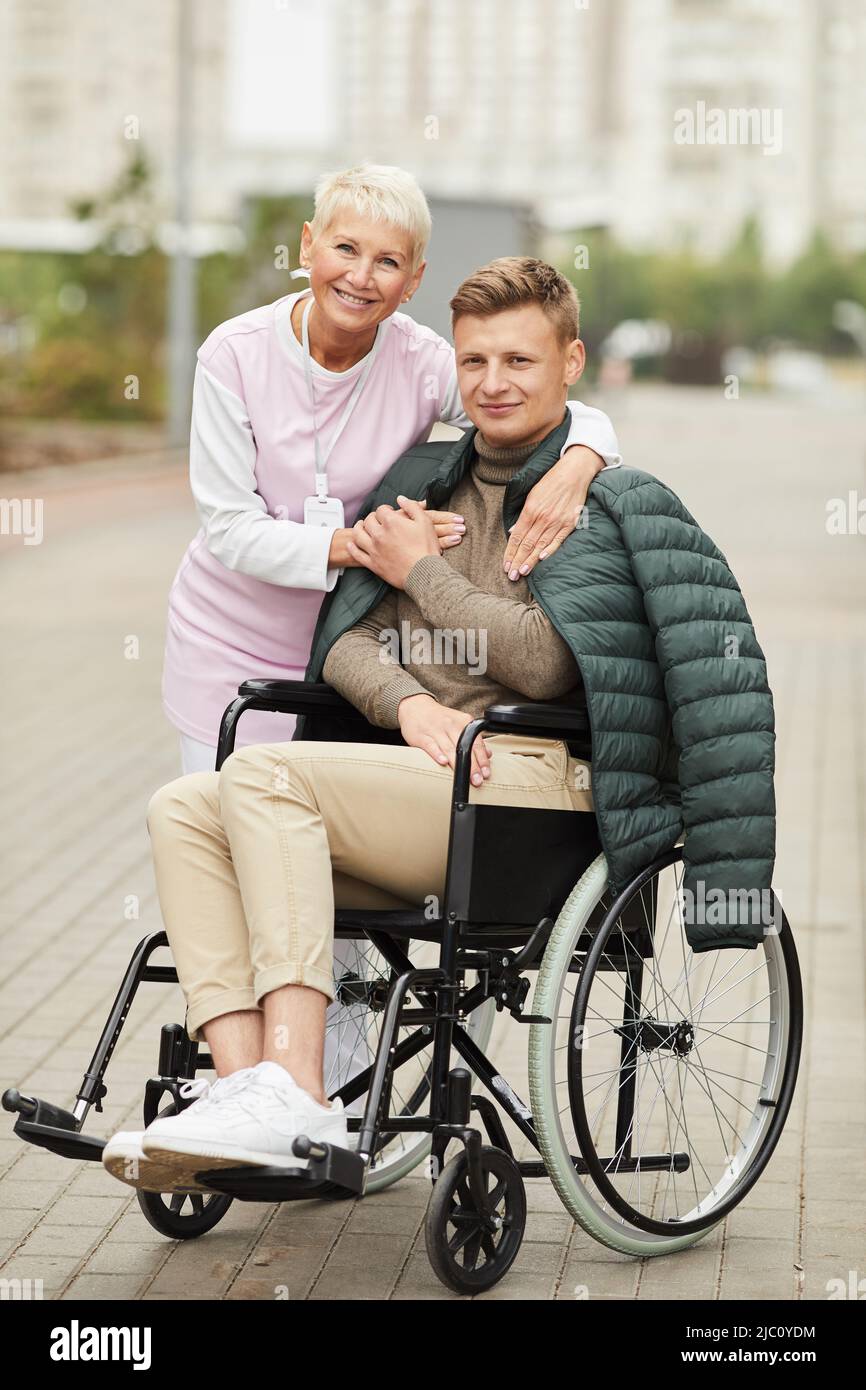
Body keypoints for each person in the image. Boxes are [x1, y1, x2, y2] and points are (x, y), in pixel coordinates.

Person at [103, 256, 606, 1192]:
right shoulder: (431, 478)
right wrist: (412, 703)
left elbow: (540, 659)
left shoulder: (592, 499)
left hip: (526, 785)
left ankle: (296, 1090)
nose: (493, 383)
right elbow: (346, 643)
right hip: (433, 775)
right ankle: (244, 1088)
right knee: (185, 804)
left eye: (519, 362)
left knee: (265, 775)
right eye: (475, 362)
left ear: (571, 362)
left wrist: (425, 573)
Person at [162, 162, 622, 776]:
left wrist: (579, 463)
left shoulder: (424, 362)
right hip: (229, 638)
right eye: (345, 248)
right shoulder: (233, 355)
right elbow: (230, 529)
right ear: (307, 244)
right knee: (221, 815)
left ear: (413, 279)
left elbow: (550, 409)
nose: (360, 277)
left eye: (387, 261)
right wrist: (372, 547)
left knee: (312, 836)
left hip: (352, 642)